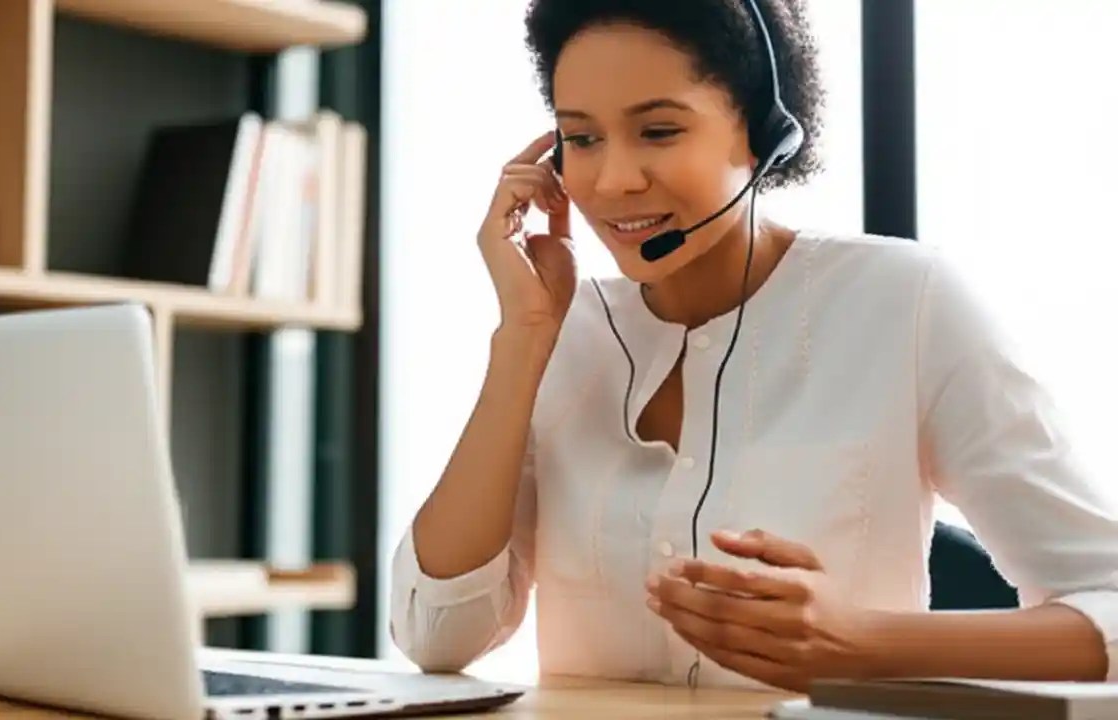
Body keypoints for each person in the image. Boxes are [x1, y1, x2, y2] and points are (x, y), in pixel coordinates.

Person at [388, 0, 1118, 693]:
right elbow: (435, 635)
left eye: (659, 131)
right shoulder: (558, 327)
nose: (611, 181)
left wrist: (861, 642)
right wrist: (520, 343)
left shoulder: (906, 302)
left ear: (761, 135)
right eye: (581, 138)